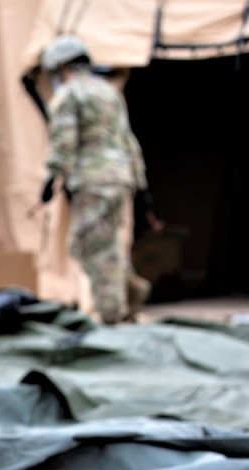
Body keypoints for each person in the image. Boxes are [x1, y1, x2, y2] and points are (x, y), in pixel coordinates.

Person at [38, 34, 162, 324]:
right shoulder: (109, 93)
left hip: (93, 180)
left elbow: (64, 142)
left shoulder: (69, 96)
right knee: (103, 243)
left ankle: (112, 313)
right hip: (120, 178)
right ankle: (130, 291)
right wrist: (141, 185)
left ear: (60, 68)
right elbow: (128, 142)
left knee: (90, 246)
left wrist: (50, 178)